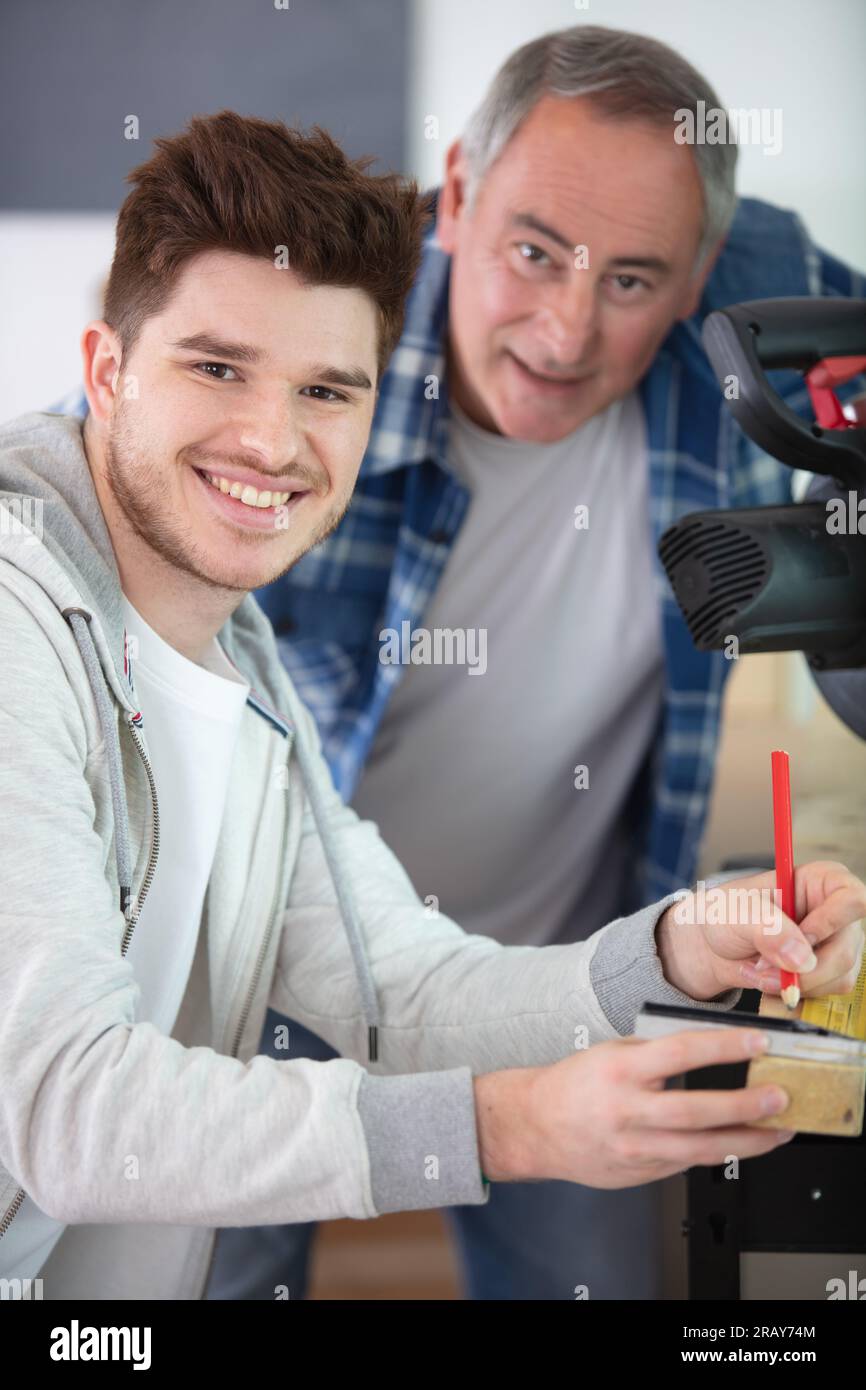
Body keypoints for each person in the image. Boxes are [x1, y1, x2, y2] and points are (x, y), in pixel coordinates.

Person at [4, 106, 864, 1304]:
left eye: (325, 389)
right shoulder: (15, 627)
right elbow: (67, 1109)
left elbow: (394, 986)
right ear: (107, 370)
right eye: (216, 367)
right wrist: (500, 1127)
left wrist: (672, 944)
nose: (270, 437)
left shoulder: (234, 662)